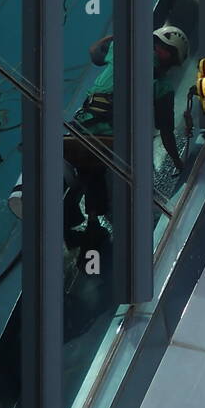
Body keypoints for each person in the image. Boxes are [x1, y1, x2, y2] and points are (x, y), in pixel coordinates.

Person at [66, 24, 189, 249]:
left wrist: (119, 35)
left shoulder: (123, 52)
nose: (170, 67)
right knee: (98, 169)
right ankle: (94, 223)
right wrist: (179, 162)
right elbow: (166, 131)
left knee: (90, 170)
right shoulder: (162, 87)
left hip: (80, 129)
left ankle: (85, 224)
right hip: (109, 140)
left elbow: (94, 52)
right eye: (171, 60)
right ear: (168, 54)